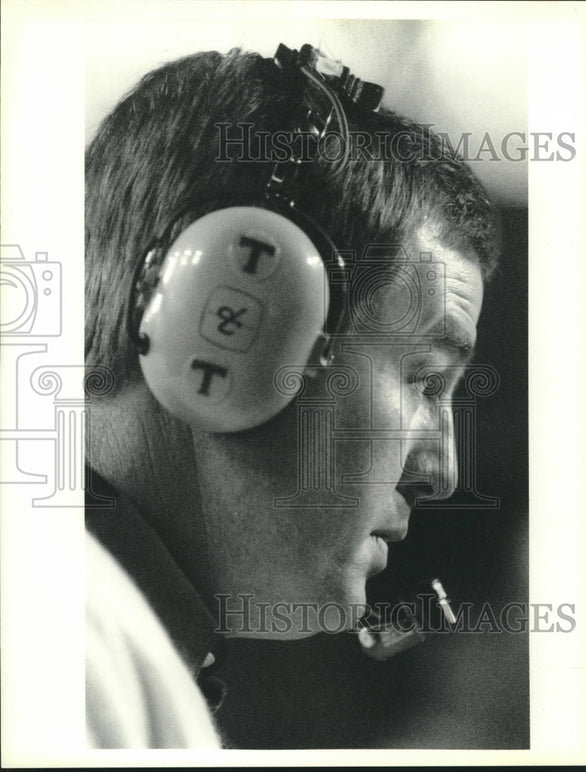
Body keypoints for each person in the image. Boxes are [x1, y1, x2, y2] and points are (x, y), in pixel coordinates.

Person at [84, 44, 499, 747]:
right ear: (233, 324)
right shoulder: (76, 656)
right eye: (425, 380)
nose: (440, 471)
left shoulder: (106, 644)